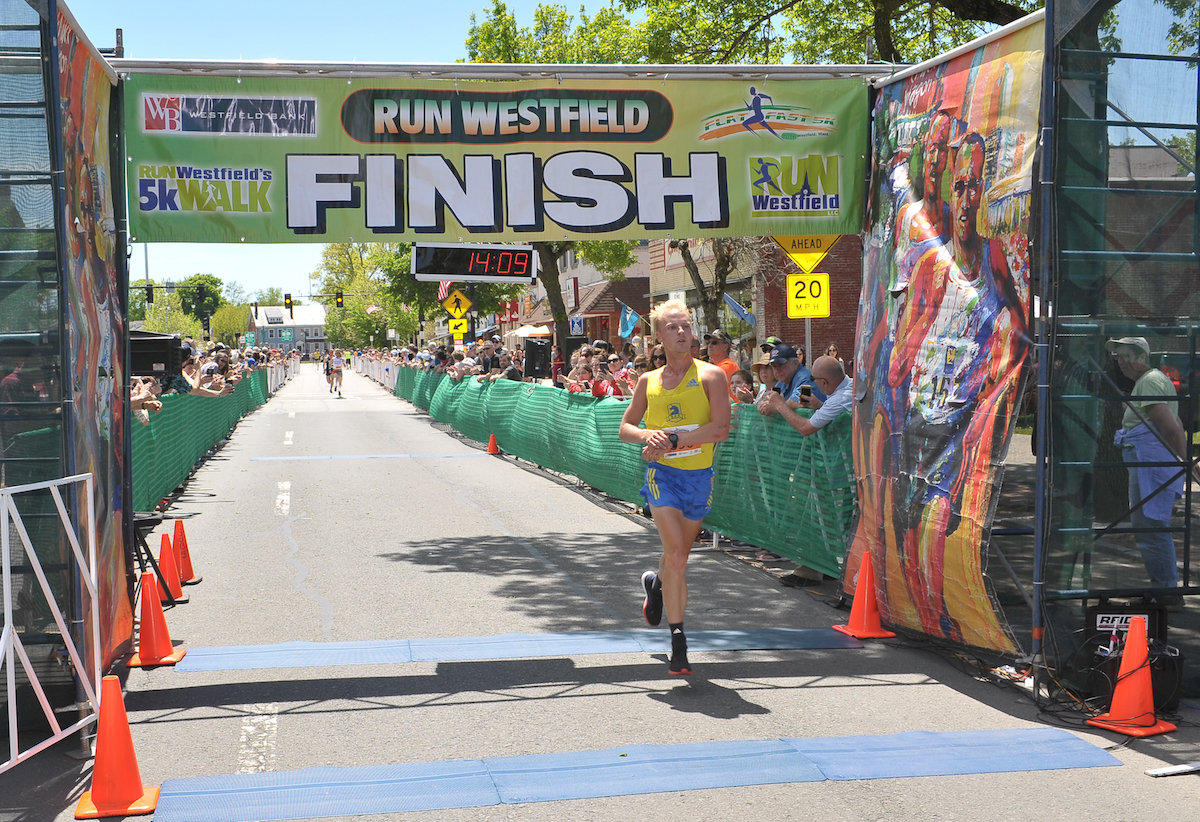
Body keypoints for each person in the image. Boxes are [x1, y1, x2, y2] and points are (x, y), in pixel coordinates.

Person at [619, 299, 731, 676]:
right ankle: (679, 642)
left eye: (686, 325)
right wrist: (649, 435)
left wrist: (671, 438)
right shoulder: (647, 381)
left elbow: (720, 429)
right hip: (661, 476)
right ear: (659, 337)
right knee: (679, 558)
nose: (682, 332)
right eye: (673, 327)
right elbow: (626, 428)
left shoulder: (712, 375)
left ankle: (656, 585)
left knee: (677, 554)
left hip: (699, 478)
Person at [1107, 336, 1190, 600]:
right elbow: (1176, 424)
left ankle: (1166, 592)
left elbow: (1171, 427)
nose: (1122, 362)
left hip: (1150, 464)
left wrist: (1185, 463)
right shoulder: (1150, 381)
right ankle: (1164, 588)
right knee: (1150, 524)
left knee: (1150, 525)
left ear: (1143, 357)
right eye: (1118, 356)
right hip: (1149, 462)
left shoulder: (1151, 381)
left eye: (1128, 355)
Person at [758, 355, 853, 436]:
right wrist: (819, 405)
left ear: (824, 382)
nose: (812, 381)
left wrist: (780, 405)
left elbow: (805, 428)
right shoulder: (850, 385)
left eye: (813, 378)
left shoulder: (839, 399)